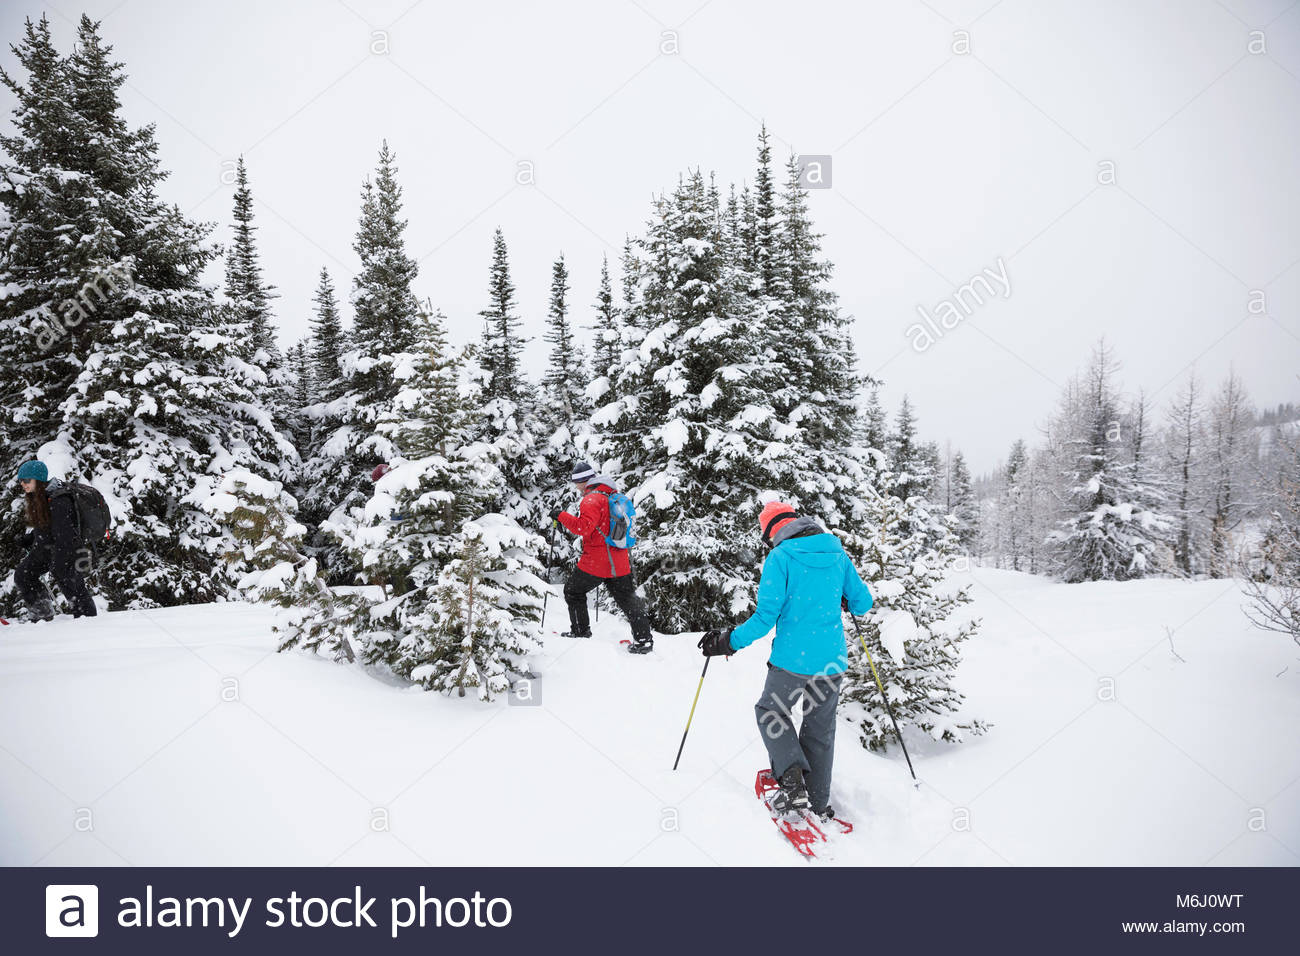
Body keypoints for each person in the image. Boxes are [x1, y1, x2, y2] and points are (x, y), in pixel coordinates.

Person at [699, 501, 872, 818]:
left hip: (792, 660)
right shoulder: (836, 552)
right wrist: (845, 598)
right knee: (819, 731)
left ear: (771, 531)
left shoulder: (780, 557)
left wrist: (728, 641)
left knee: (771, 712)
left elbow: (765, 617)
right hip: (831, 662)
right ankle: (818, 804)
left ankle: (792, 786)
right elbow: (863, 603)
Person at [551, 462, 653, 653]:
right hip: (619, 560)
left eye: (576, 483)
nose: (576, 487)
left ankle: (581, 632)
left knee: (573, 591)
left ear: (583, 481)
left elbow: (583, 527)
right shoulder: (612, 496)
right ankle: (644, 641)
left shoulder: (591, 499)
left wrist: (561, 516)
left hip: (598, 561)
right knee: (628, 599)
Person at [13, 459, 98, 621]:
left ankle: (88, 620)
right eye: (20, 481)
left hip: (68, 550)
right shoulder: (42, 497)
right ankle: (42, 615)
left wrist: (59, 561)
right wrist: (30, 539)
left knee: (72, 585)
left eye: (26, 480)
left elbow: (64, 534)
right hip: (47, 549)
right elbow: (47, 528)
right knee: (23, 575)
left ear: (38, 480)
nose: (23, 484)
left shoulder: (59, 501)